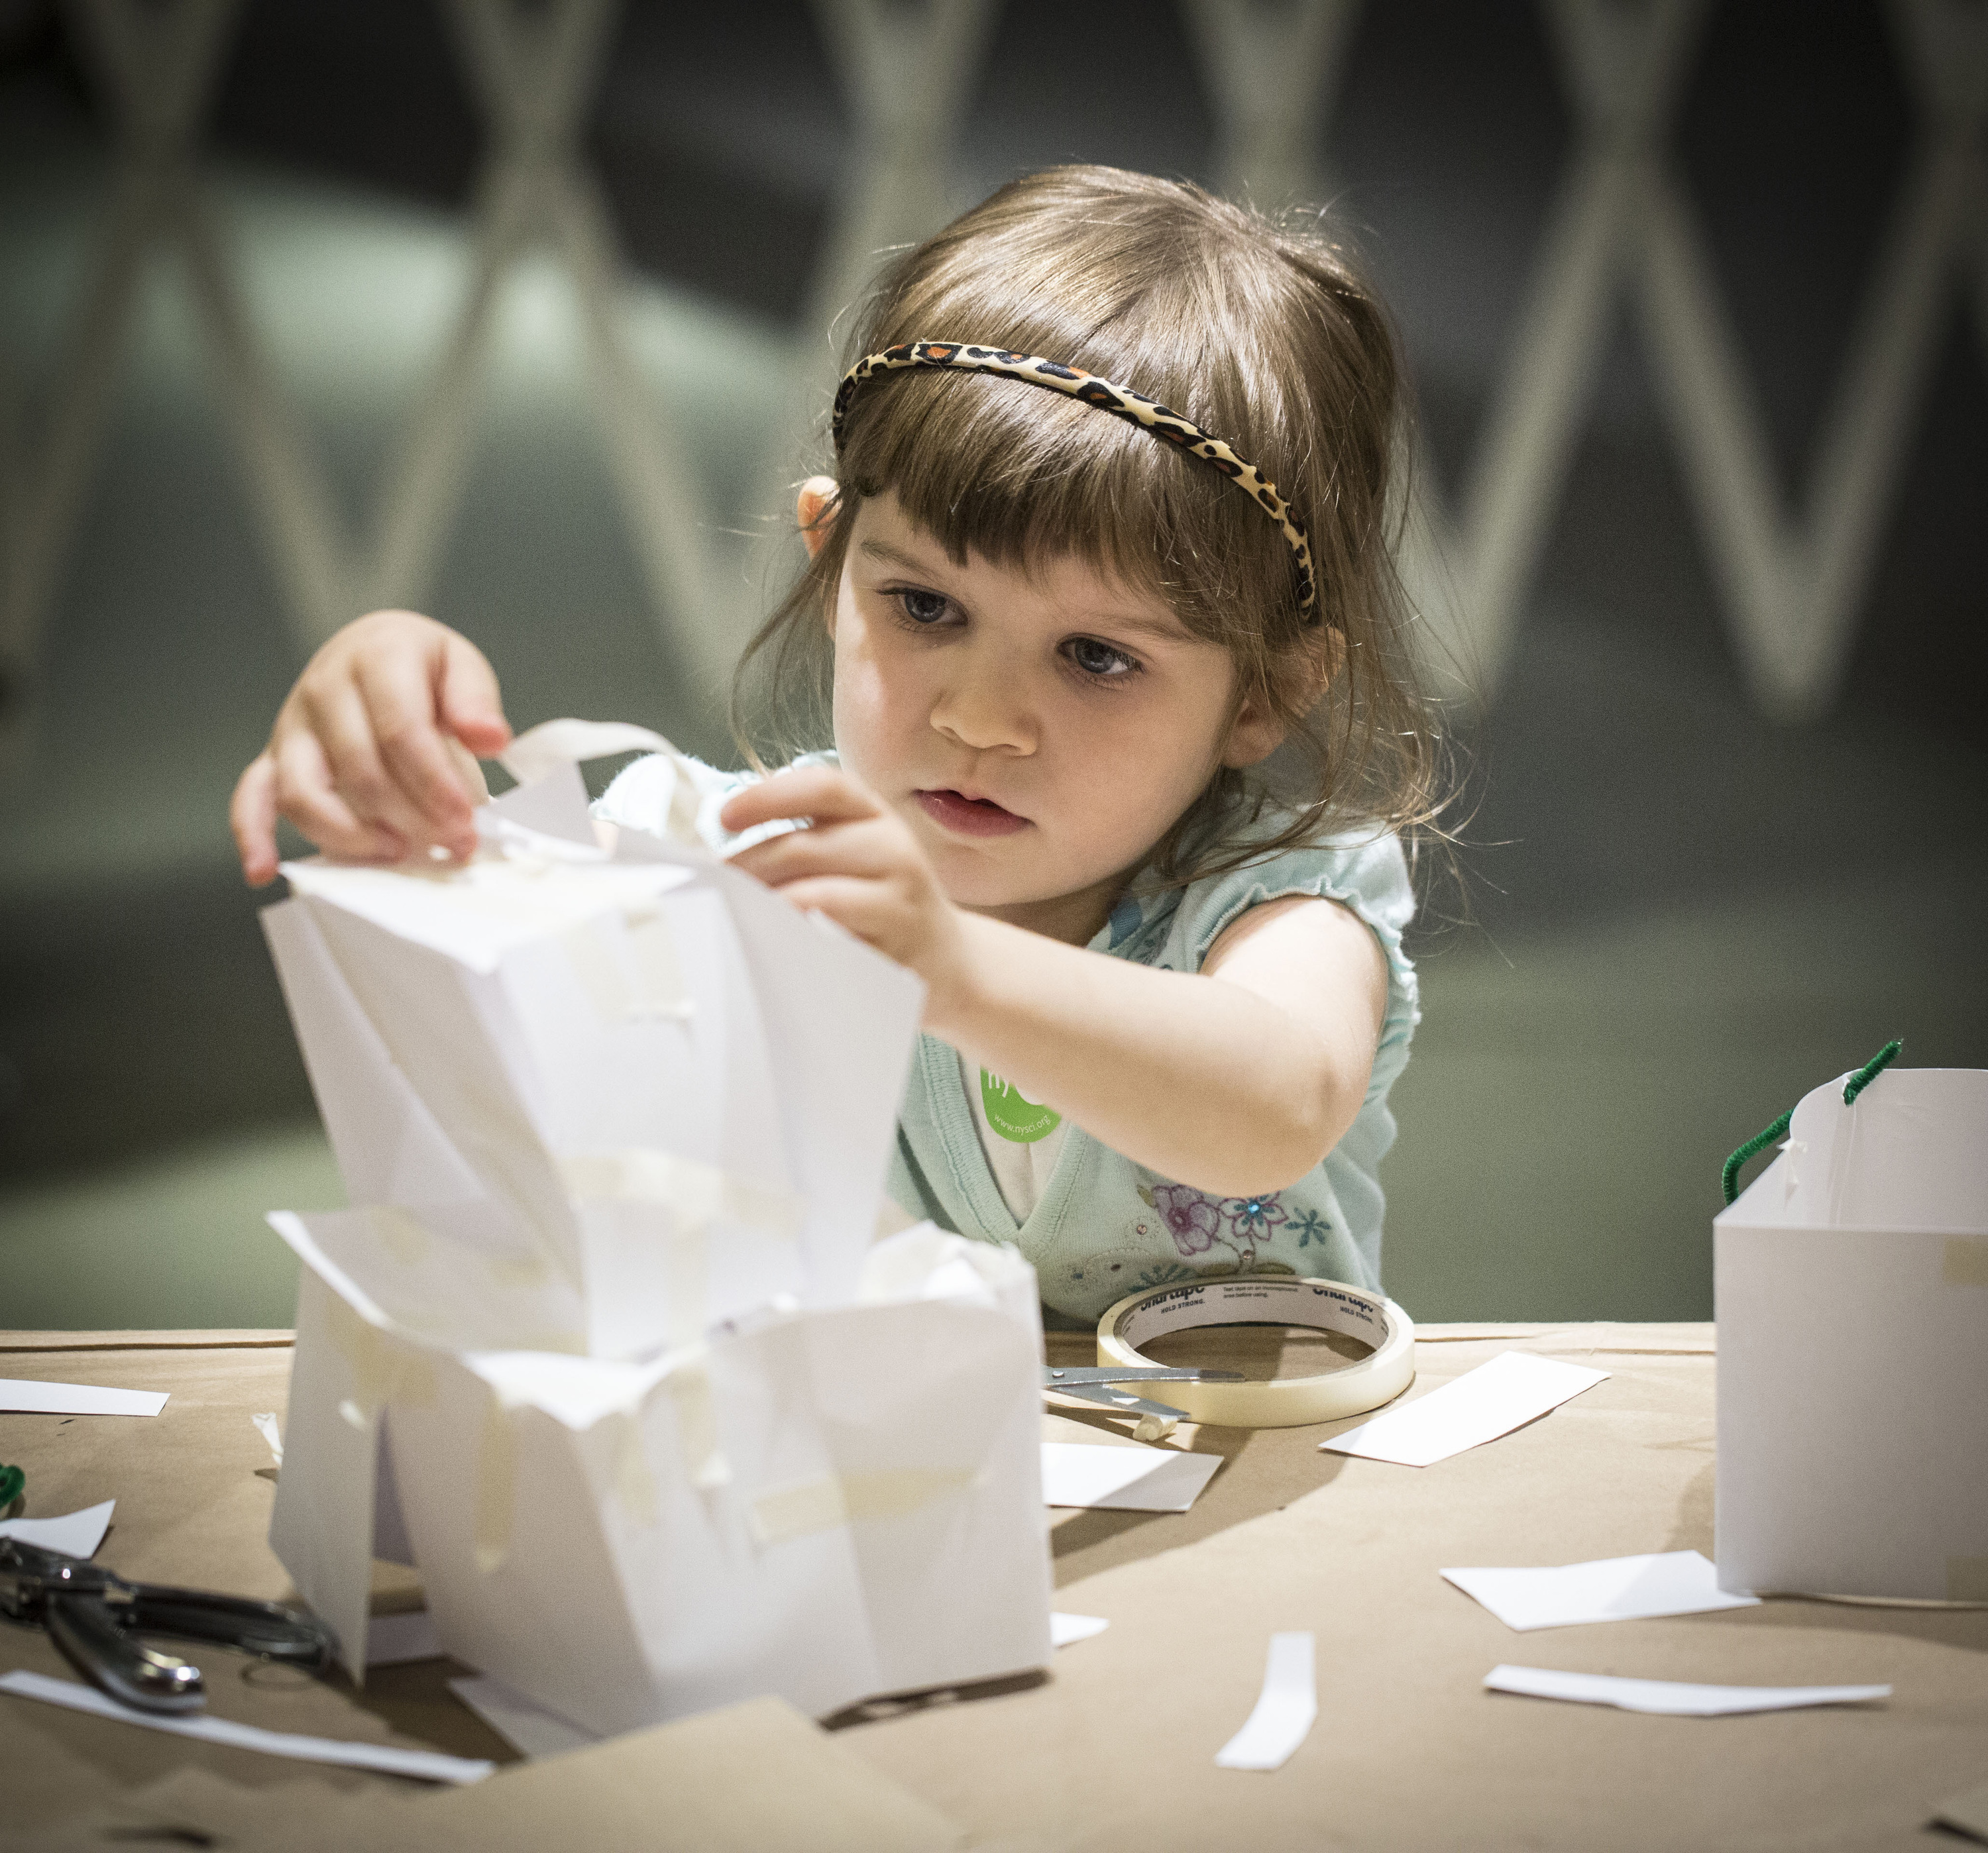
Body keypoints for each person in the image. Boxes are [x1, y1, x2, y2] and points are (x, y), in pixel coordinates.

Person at [231, 166, 1451, 1325]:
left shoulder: (1281, 902)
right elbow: (478, 1027)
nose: (979, 719)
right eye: (924, 606)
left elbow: (1277, 1101)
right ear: (830, 563)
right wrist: (396, 769)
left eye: (1096, 656)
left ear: (1263, 692)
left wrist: (953, 970)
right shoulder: (723, 852)